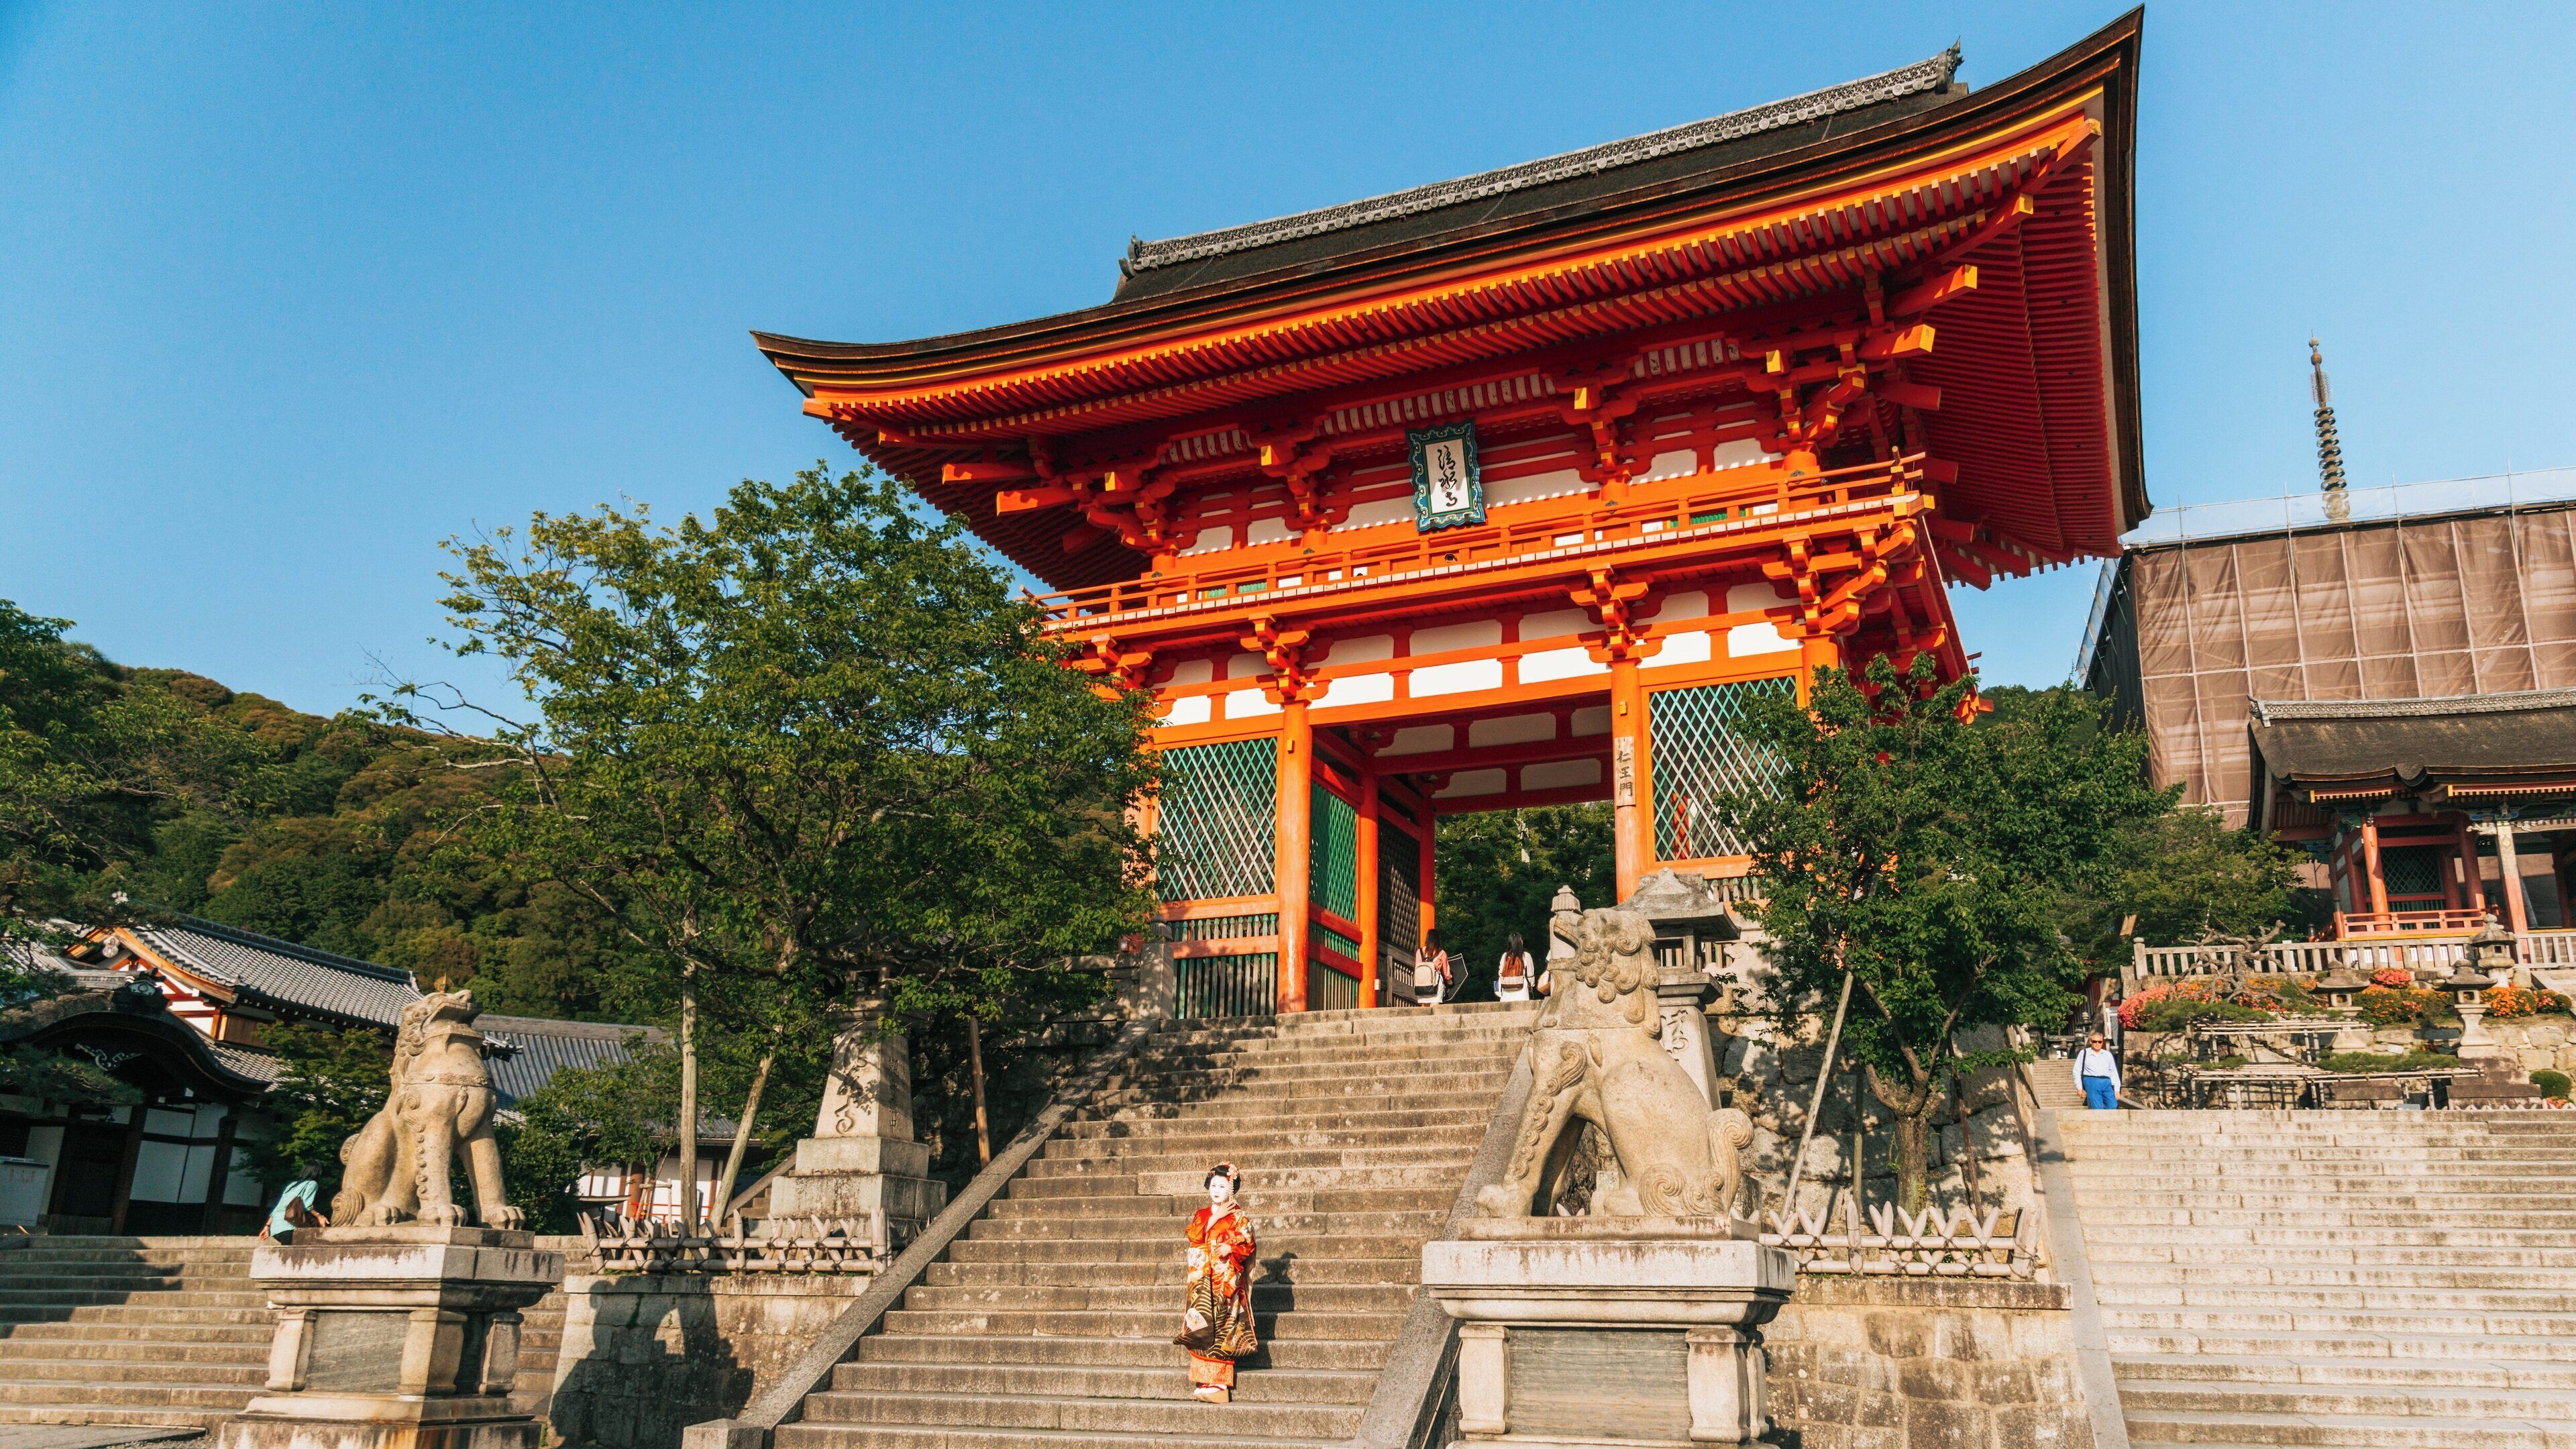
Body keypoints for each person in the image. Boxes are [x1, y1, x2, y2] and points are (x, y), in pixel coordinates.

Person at [1176, 1162, 1258, 1403]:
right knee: (1201, 1325)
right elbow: (1195, 1238)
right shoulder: (1202, 1215)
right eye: (1214, 1185)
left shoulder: (1239, 1216)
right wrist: (1215, 1219)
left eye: (1222, 1186)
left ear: (1231, 1189)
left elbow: (1248, 1243)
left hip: (1225, 1280)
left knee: (1223, 1326)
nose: (1217, 1190)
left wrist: (1229, 1247)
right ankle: (1204, 1380)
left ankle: (1219, 1383)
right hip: (1202, 1280)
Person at [264, 1179, 327, 1244]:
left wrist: (267, 1227)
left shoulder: (292, 1185)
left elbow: (278, 1207)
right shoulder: (312, 1184)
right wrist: (319, 1216)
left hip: (275, 1228)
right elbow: (307, 1206)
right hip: (289, 1226)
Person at [2074, 1032, 2121, 1110]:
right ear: (2090, 1042)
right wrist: (2079, 1088)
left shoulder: (2107, 1055)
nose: (2097, 1044)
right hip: (2091, 1081)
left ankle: (2106, 1121)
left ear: (2102, 1042)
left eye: (2100, 1042)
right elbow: (2076, 1071)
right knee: (2096, 1107)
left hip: (2106, 1082)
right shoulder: (2084, 1053)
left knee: (2112, 1105)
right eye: (2095, 1041)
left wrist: (2117, 1089)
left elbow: (2113, 1072)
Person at [1413, 933, 1454, 1007]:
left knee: (1426, 1009)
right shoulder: (1442, 953)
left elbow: (1417, 967)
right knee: (1434, 1008)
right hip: (1436, 984)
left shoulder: (1419, 952)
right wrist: (1450, 982)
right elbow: (1446, 973)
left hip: (1422, 984)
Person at [1495, 932, 1536, 1003]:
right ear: (1520, 943)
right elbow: (1530, 976)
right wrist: (1531, 986)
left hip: (1506, 993)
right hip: (1522, 993)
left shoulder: (1505, 956)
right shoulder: (1526, 956)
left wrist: (1497, 989)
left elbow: (1500, 974)